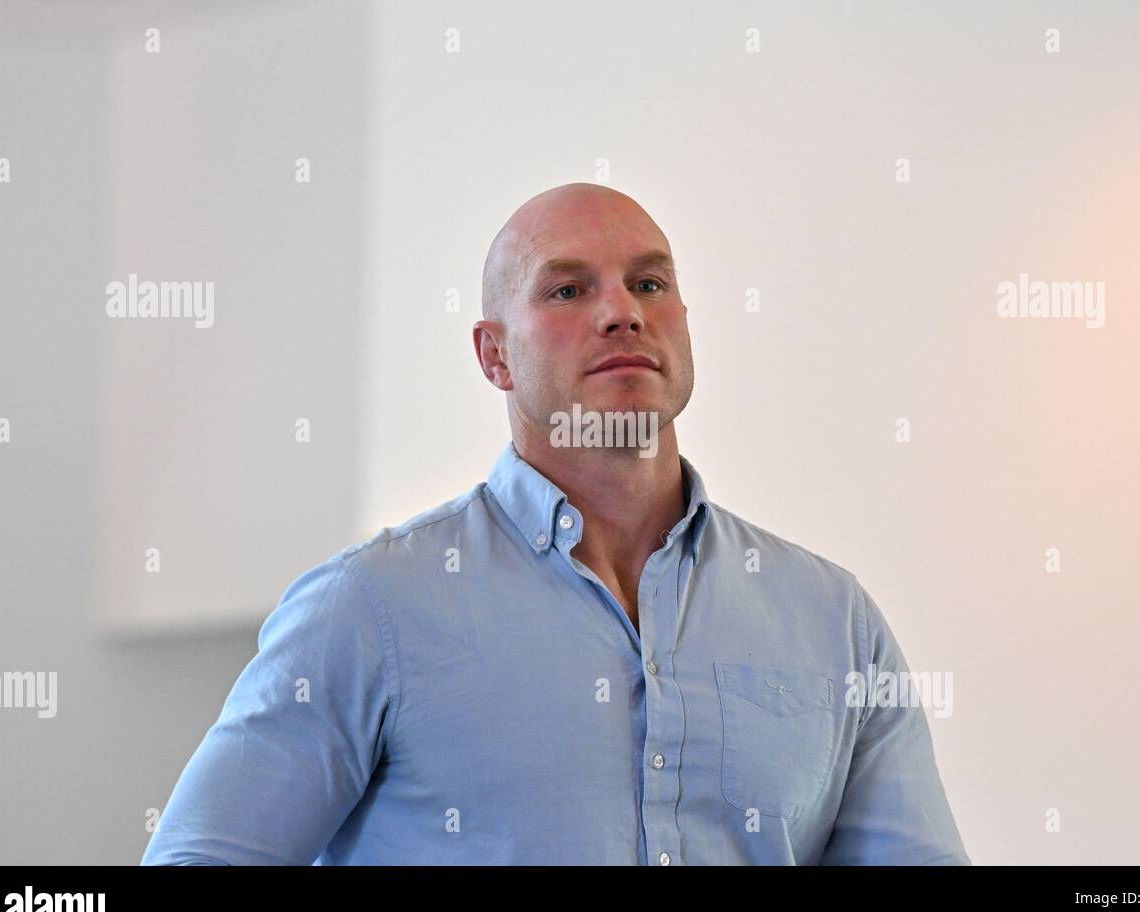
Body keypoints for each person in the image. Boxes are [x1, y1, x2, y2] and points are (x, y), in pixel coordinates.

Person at [142, 182, 970, 865]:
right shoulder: (368, 610)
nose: (622, 312)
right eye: (569, 289)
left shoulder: (833, 620)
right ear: (494, 355)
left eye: (649, 284)